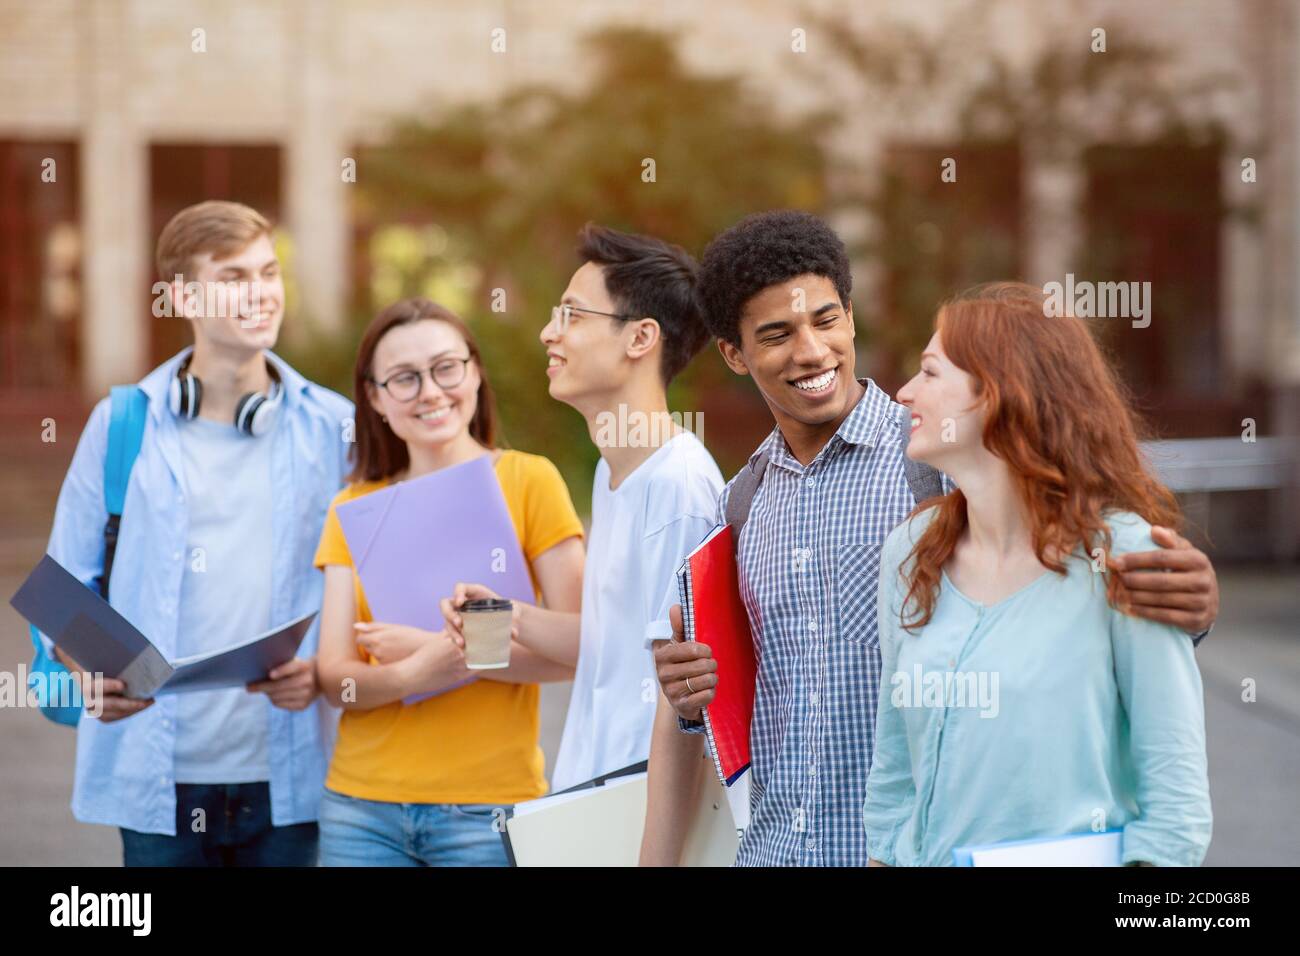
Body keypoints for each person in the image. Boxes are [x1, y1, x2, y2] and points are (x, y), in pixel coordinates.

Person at [649, 210, 1220, 866]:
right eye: (777, 335)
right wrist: (694, 694)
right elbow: (752, 694)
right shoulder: (742, 501)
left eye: (826, 320)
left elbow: (1089, 613)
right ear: (733, 353)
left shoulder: (942, 463)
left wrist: (1193, 608)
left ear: (851, 316)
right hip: (774, 850)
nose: (810, 351)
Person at [40, 200, 353, 865]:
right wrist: (90, 671)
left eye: (268, 273)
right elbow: (63, 588)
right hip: (158, 780)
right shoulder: (122, 424)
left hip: (294, 778)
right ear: (183, 294)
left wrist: (325, 671)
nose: (261, 293)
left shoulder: (336, 428)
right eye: (234, 277)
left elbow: (379, 581)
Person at [863, 282, 1212, 866]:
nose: (903, 394)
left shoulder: (1122, 553)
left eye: (929, 372)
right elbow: (894, 775)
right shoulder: (910, 551)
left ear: (997, 392)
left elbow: (1176, 814)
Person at [442, 224, 722, 795]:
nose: (549, 332)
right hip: (585, 800)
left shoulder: (680, 488)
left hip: (632, 810)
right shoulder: (611, 473)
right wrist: (505, 616)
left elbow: (685, 705)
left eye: (572, 315)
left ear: (640, 338)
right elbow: (608, 645)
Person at [313, 297, 584, 866]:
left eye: (446, 368)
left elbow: (578, 649)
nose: (432, 392)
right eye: (405, 379)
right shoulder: (352, 506)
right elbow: (335, 679)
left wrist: (439, 652)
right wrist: (416, 672)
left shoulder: (531, 480)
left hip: (488, 809)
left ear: (475, 371)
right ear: (376, 397)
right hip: (362, 808)